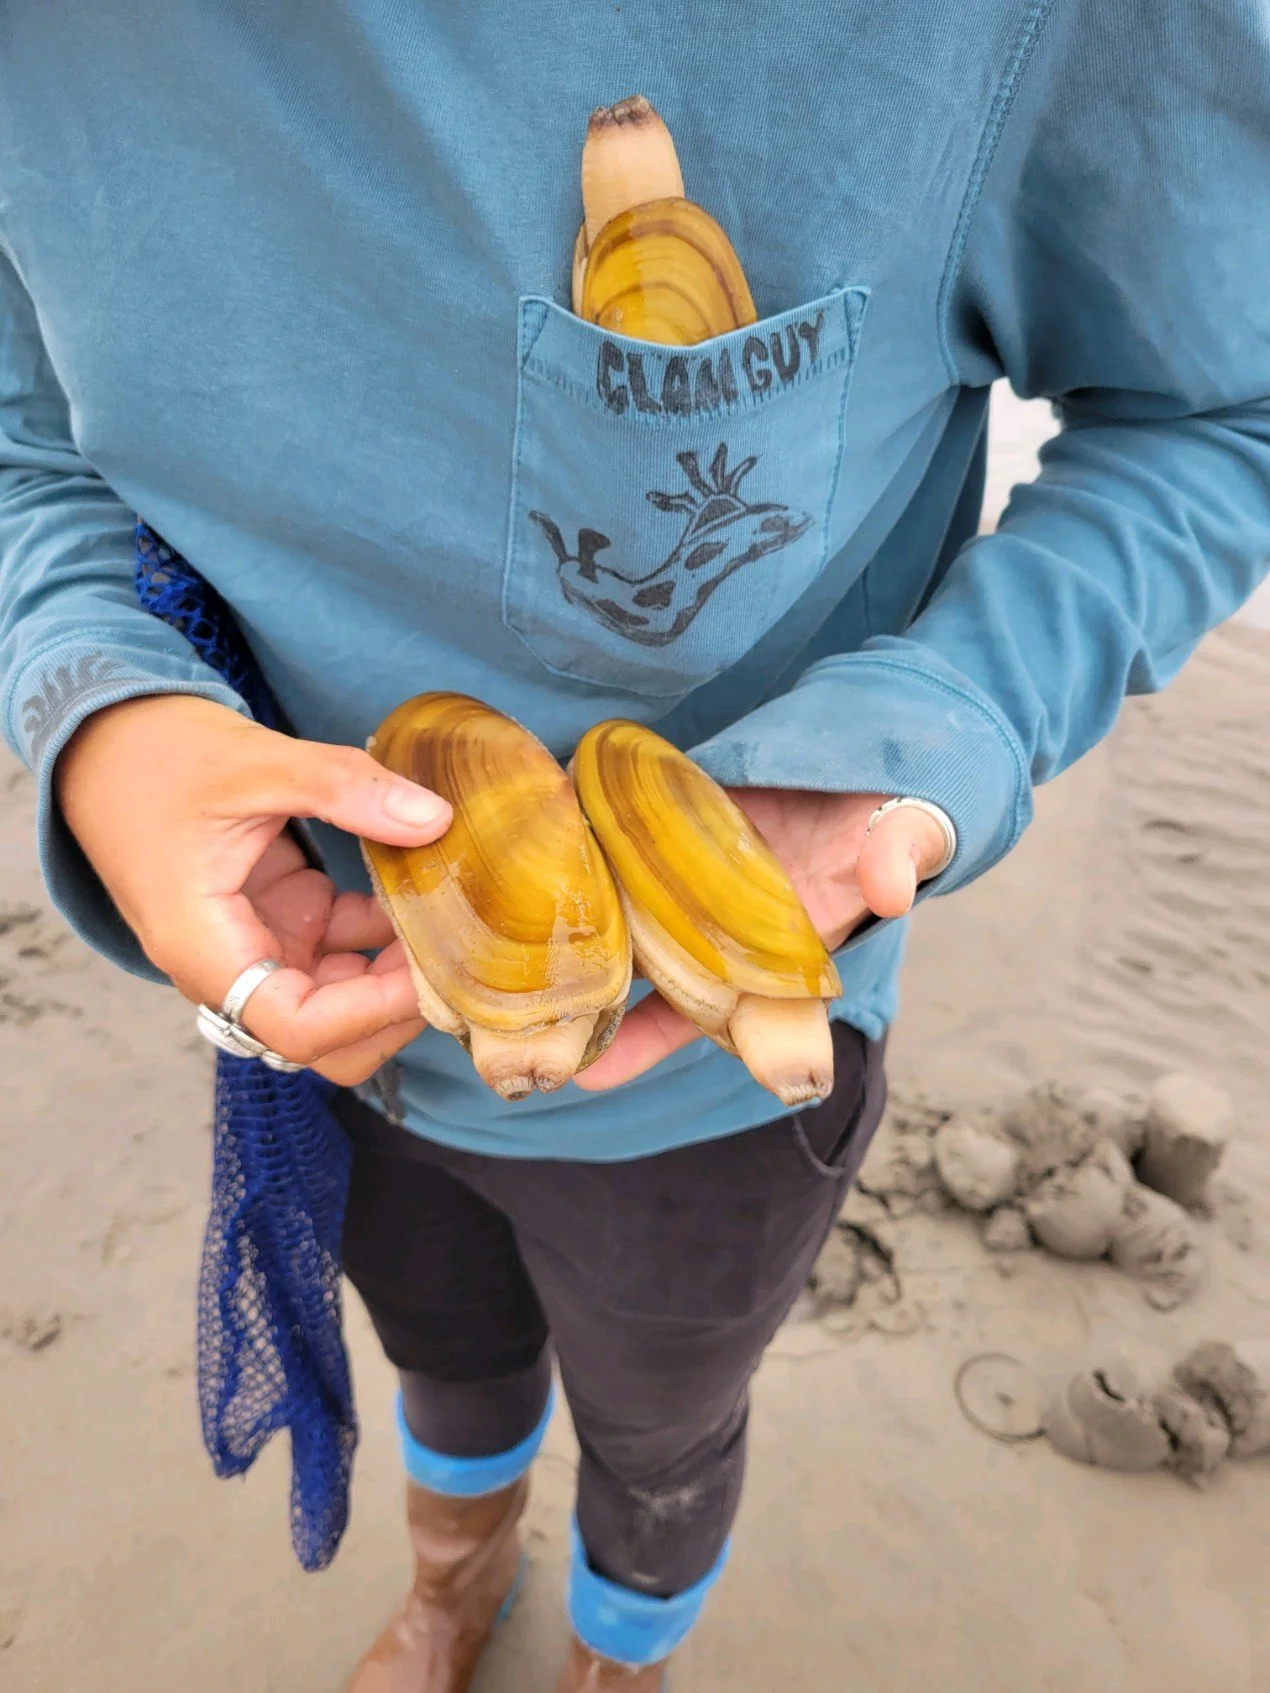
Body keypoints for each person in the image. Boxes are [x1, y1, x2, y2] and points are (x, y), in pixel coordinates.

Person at [2, 5, 1268, 1689]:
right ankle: (454, 1581)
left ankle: (624, 1650)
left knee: (665, 1426)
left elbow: (1221, 409)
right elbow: (31, 441)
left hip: (715, 1088)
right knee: (441, 1360)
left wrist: (929, 736)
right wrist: (99, 702)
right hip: (314, 1025)